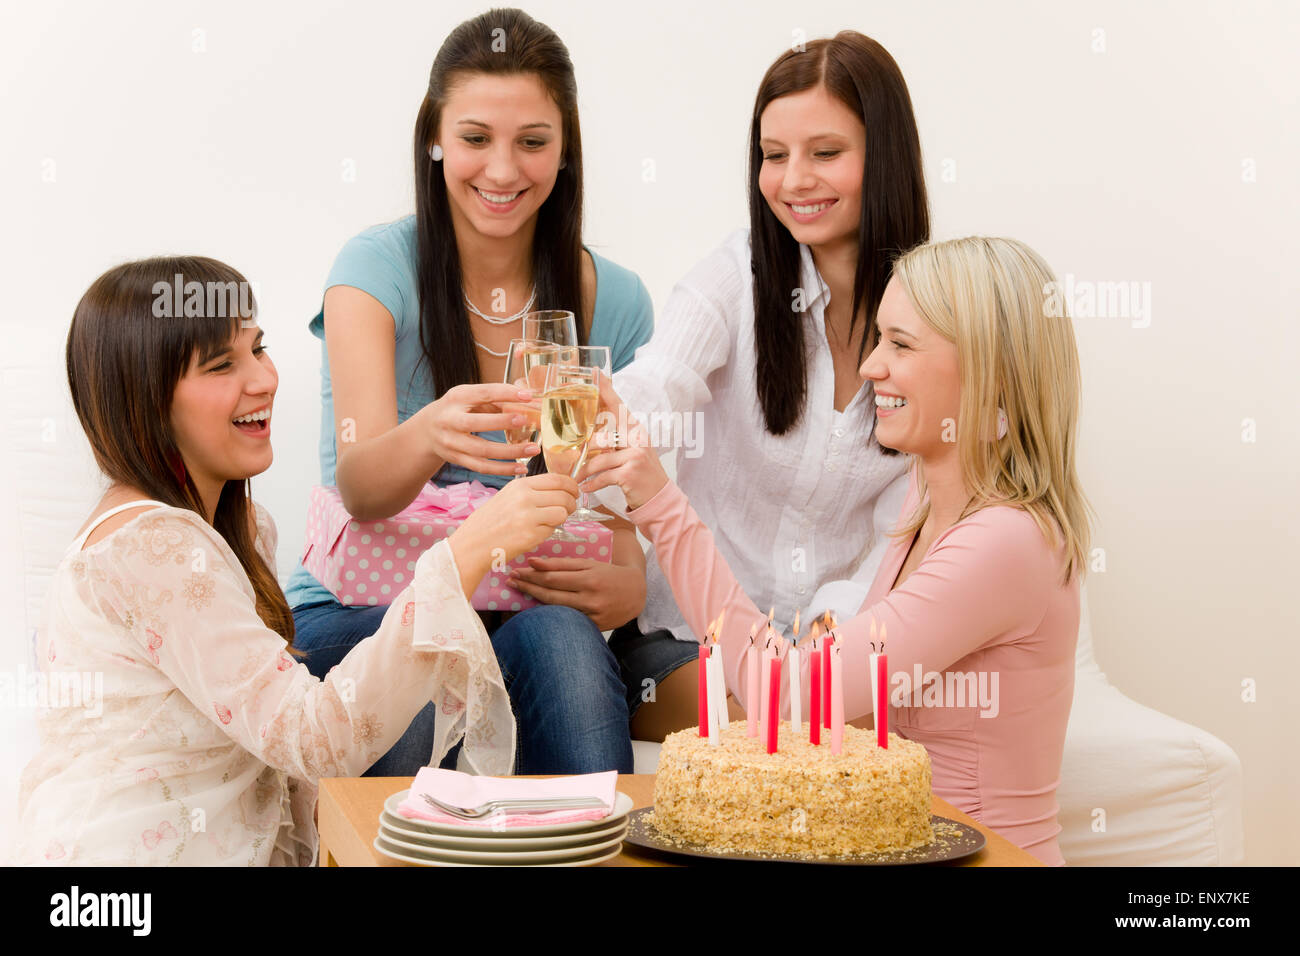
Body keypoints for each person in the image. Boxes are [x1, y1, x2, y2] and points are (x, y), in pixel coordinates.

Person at [12, 256, 578, 865]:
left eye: (258, 349)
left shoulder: (236, 532)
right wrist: (466, 552)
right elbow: (316, 739)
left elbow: (276, 750)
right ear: (145, 400)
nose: (262, 380)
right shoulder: (153, 548)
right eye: (222, 365)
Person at [584, 236, 1093, 866]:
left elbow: (788, 698)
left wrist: (659, 504)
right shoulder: (923, 505)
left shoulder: (1006, 541)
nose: (872, 367)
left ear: (992, 368)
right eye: (877, 338)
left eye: (901, 345)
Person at [285, 9, 652, 775]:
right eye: (476, 138)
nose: (503, 170)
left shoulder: (614, 299)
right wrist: (427, 436)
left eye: (533, 142)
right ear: (435, 139)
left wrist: (625, 586)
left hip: (525, 607)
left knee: (567, 648)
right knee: (416, 680)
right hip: (365, 610)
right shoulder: (374, 271)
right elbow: (358, 488)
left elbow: (618, 518)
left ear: (566, 148)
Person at [590, 31, 928, 741]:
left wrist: (817, 658)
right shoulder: (736, 277)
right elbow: (659, 383)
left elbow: (899, 534)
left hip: (833, 652)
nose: (794, 179)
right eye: (774, 156)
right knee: (781, 730)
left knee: (819, 724)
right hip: (685, 640)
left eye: (825, 153)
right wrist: (605, 425)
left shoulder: (933, 318)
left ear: (885, 156)